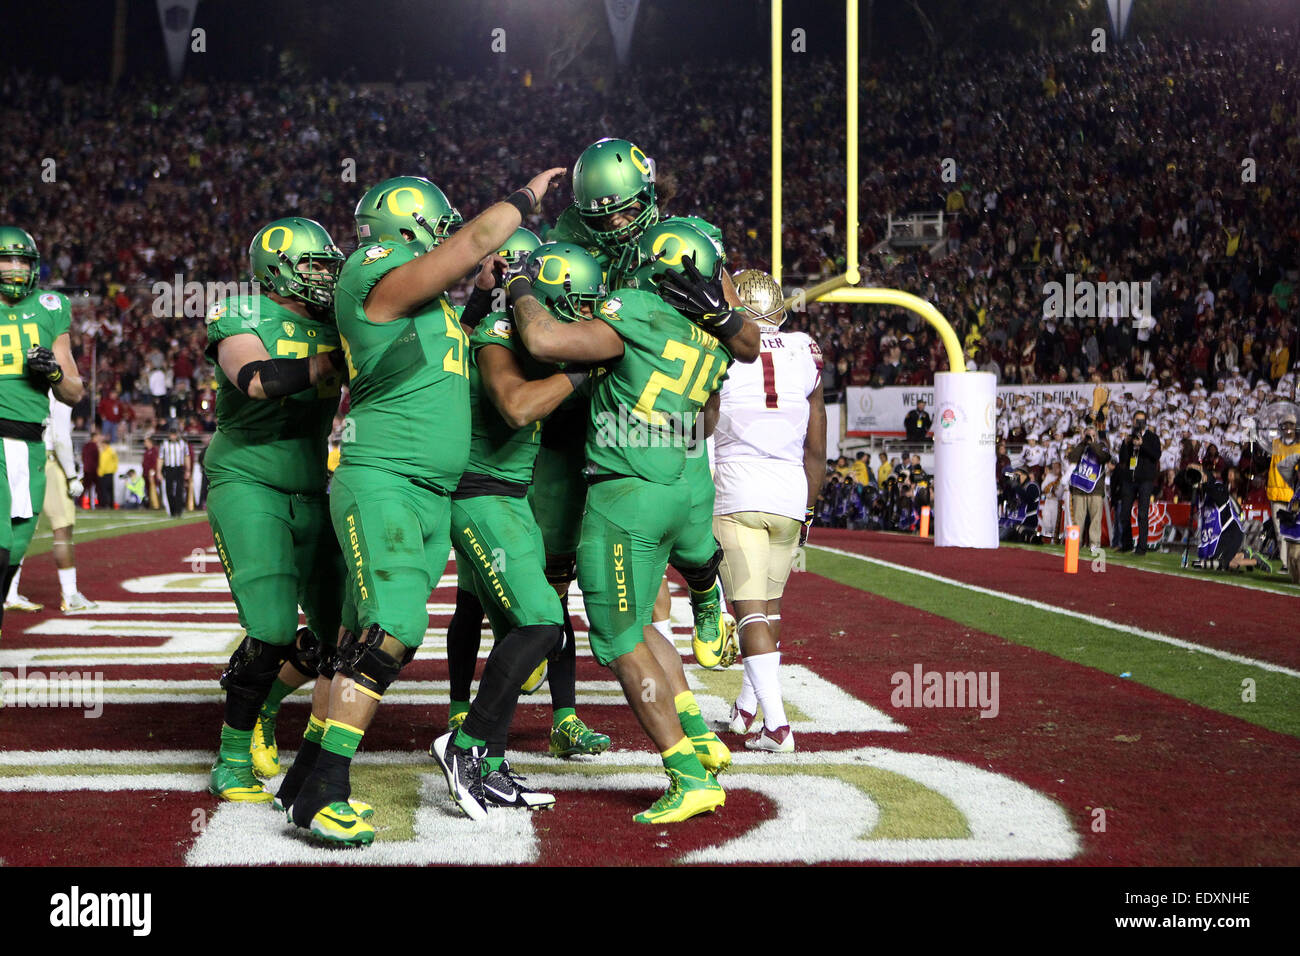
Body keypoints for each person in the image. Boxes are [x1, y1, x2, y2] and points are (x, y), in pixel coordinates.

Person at [285, 169, 567, 845]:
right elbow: (473, 238)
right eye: (438, 232)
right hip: (386, 479)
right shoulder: (370, 274)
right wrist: (526, 199)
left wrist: (480, 300)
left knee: (354, 640)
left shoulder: (427, 310)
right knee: (392, 628)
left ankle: (304, 776)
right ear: (414, 228)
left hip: (422, 489)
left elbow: (431, 352)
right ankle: (324, 793)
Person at [510, 221, 760, 824]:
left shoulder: (639, 307)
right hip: (678, 486)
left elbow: (543, 341)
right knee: (648, 623)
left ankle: (686, 774)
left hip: (626, 498)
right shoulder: (713, 333)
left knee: (620, 639)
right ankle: (698, 733)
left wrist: (519, 285)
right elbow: (704, 420)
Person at [434, 243, 612, 818]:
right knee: (542, 621)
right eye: (579, 304)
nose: (584, 317)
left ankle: (490, 762)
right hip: (481, 496)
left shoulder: (524, 334)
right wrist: (581, 371)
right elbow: (514, 406)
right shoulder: (495, 331)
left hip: (511, 498)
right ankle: (463, 746)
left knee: (533, 627)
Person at [202, 217, 350, 815]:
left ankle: (263, 711)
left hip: (313, 485)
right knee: (268, 629)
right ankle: (230, 757)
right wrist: (334, 361)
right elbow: (256, 379)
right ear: (277, 269)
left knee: (340, 632)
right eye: (313, 265)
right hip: (248, 479)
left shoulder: (334, 321)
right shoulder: (238, 312)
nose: (324, 276)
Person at [711, 269, 825, 753]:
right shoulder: (806, 349)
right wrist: (810, 508)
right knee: (767, 607)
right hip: (790, 494)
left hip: (739, 488)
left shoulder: (722, 348)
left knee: (747, 608)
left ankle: (778, 727)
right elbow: (817, 445)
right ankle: (746, 708)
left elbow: (702, 426)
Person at [0, 226, 85, 643]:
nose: (15, 269)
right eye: (6, 259)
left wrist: (52, 371)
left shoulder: (51, 306)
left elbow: (74, 390)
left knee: (14, 551)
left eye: (22, 261)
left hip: (32, 444)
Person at [1114, 410, 1161, 555]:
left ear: (1145, 422)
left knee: (1142, 513)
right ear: (1133, 421)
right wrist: (1125, 443)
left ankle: (1141, 547)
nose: (1139, 423)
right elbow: (1122, 459)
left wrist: (1142, 444)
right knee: (1124, 513)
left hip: (1145, 480)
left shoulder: (1152, 437)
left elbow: (1156, 455)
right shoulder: (1129, 437)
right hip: (1129, 479)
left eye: (1142, 420)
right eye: (1137, 420)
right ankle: (1127, 544)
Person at [1066, 414, 1112, 553]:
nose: (1089, 437)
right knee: (1078, 519)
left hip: (1095, 488)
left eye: (1092, 435)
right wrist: (1082, 443)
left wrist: (1093, 444)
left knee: (1095, 519)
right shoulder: (1081, 447)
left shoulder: (1102, 446)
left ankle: (1094, 544)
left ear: (1096, 436)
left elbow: (1104, 457)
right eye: (1087, 435)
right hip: (1079, 488)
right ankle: (1076, 543)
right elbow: (1072, 458)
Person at [1266, 414, 1300, 572]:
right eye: (1285, 425)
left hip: (1292, 495)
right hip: (1276, 493)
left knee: (1294, 532)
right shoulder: (1274, 444)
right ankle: (1286, 564)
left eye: (1290, 425)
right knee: (1280, 532)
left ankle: (1294, 563)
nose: (1287, 428)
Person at [158, 428, 191, 516]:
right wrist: (158, 471)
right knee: (169, 490)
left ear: (177, 434)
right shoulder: (164, 444)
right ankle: (172, 511)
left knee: (179, 489)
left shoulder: (183, 444)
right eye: (171, 434)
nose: (173, 436)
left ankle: (179, 511)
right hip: (168, 468)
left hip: (179, 468)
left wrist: (188, 470)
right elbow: (160, 458)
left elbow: (187, 457)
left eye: (174, 434)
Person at [94, 430, 118, 509]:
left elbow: (115, 461)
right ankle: (104, 504)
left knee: (109, 490)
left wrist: (113, 470)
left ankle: (110, 504)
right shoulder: (102, 451)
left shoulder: (111, 451)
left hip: (109, 473)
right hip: (102, 473)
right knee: (103, 490)